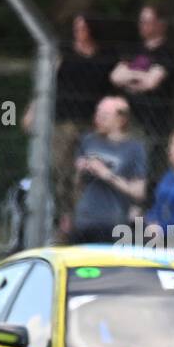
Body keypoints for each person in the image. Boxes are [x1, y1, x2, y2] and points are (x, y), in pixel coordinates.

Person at [55, 15, 115, 223]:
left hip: (92, 124)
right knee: (62, 170)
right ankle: (65, 217)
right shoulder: (65, 53)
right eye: (76, 27)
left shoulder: (105, 56)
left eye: (83, 27)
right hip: (65, 121)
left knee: (87, 172)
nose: (79, 31)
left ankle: (84, 217)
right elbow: (49, 82)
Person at [69, 96, 148, 244]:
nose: (98, 119)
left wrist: (107, 174)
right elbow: (76, 185)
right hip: (83, 219)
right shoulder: (88, 140)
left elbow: (139, 192)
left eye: (104, 116)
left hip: (113, 222)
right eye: (97, 114)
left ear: (121, 120)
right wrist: (81, 169)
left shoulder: (134, 149)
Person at [110, 4, 174, 145]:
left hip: (152, 120)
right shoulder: (134, 48)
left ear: (161, 25)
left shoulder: (167, 52)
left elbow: (151, 82)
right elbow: (115, 77)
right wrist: (142, 75)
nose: (142, 25)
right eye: (141, 21)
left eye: (147, 21)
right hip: (126, 118)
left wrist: (129, 75)